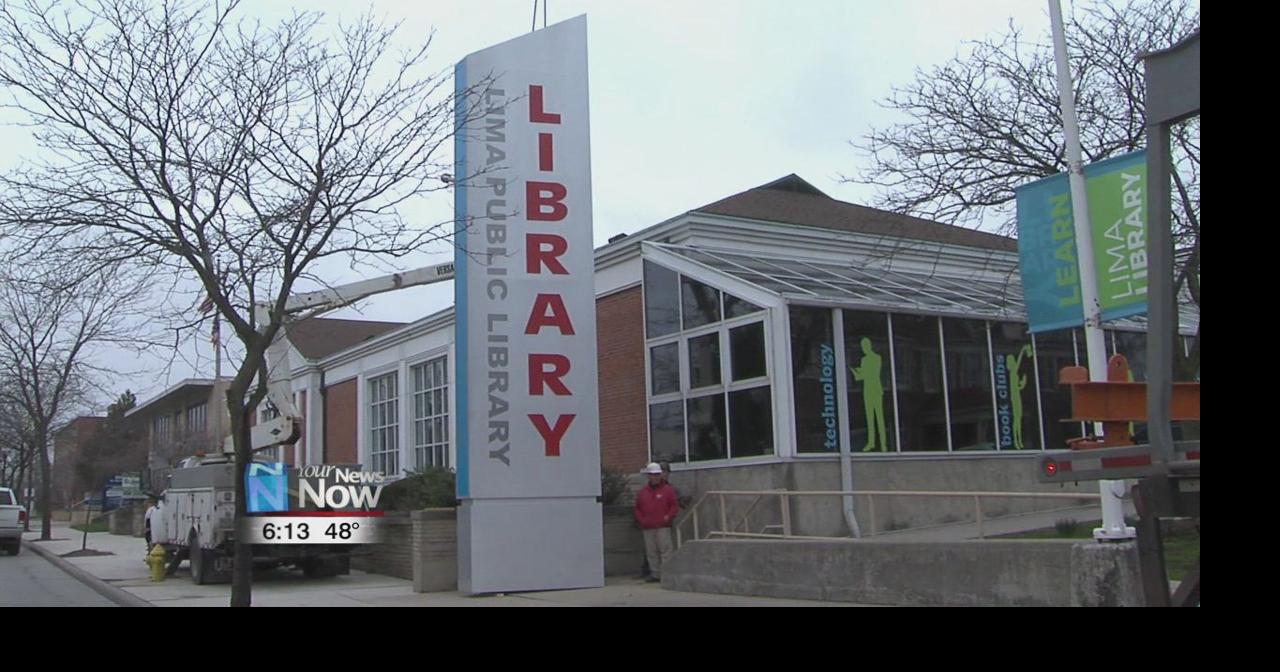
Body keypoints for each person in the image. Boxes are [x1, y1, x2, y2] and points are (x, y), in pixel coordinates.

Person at [634, 462, 679, 583]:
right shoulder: (643, 492)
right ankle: (655, 574)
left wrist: (667, 517)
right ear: (648, 476)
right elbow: (638, 508)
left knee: (666, 551)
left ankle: (667, 573)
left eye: (657, 474)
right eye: (653, 474)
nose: (656, 477)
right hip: (648, 527)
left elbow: (674, 506)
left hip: (663, 526)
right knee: (651, 552)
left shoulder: (668, 490)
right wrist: (642, 520)